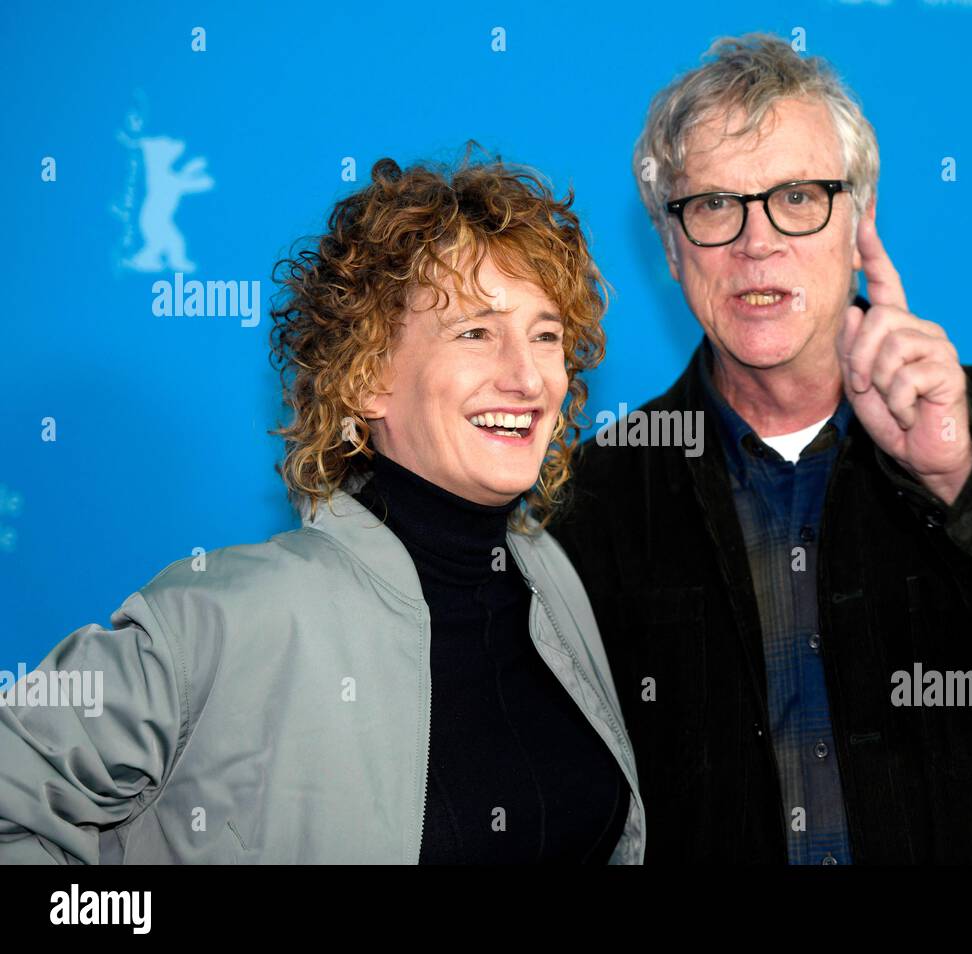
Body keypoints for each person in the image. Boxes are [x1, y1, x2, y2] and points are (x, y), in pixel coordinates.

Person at [548, 34, 972, 864]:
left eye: (798, 196)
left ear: (860, 219)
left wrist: (959, 475)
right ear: (670, 244)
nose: (756, 243)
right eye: (716, 204)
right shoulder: (595, 494)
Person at [0, 152, 644, 864]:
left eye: (546, 335)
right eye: (476, 333)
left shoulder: (549, 577)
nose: (527, 377)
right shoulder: (221, 619)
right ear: (366, 376)